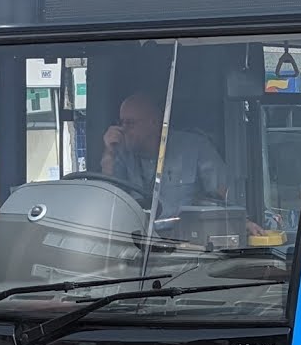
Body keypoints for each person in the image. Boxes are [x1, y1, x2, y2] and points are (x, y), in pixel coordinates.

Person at [100, 92, 262, 238]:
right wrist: (109, 154)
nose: (123, 129)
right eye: (121, 122)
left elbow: (223, 193)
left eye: (130, 123)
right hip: (136, 242)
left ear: (154, 123)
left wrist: (242, 222)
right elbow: (108, 201)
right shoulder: (119, 155)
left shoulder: (194, 148)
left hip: (185, 242)